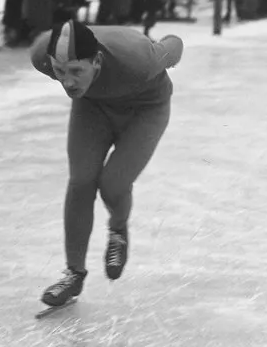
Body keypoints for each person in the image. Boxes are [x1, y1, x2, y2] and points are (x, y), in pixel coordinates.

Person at [29, 21, 184, 308]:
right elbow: (47, 42)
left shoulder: (137, 59)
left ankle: (118, 230)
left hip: (146, 109)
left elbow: (175, 45)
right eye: (60, 72)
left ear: (97, 61)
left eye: (77, 71)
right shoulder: (42, 56)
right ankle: (73, 274)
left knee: (113, 184)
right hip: (94, 108)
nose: (68, 82)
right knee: (81, 180)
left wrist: (156, 47)